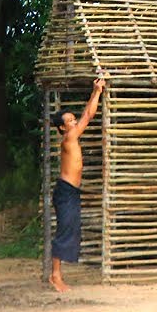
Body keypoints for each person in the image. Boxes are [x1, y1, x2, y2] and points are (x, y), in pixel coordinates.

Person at [49, 72, 106, 292]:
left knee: (70, 228)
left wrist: (95, 91)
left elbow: (85, 115)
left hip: (70, 191)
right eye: (70, 121)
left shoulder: (71, 137)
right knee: (65, 229)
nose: (74, 123)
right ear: (63, 128)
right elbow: (88, 115)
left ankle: (57, 275)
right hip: (65, 191)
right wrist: (97, 91)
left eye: (74, 120)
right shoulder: (69, 137)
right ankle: (55, 276)